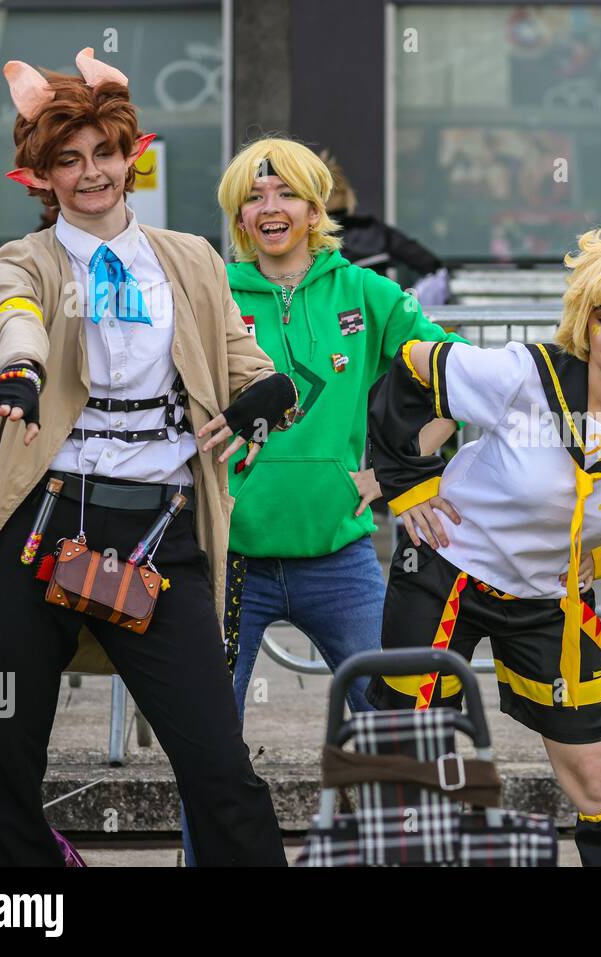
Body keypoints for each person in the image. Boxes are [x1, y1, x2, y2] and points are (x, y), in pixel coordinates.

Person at [0, 48, 292, 865]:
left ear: (131, 153)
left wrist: (267, 391)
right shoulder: (28, 259)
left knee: (219, 763)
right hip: (37, 531)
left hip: (159, 540)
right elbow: (14, 312)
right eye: (68, 160)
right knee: (8, 763)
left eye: (105, 153)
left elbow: (242, 357)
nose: (92, 174)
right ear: (40, 178)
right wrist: (19, 369)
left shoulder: (189, 258)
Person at [367, 217, 601, 866]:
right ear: (584, 321)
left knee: (593, 772)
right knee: (416, 754)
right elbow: (415, 364)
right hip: (448, 565)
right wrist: (410, 483)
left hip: (548, 599)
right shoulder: (524, 375)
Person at [176, 137, 462, 864]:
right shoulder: (210, 292)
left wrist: (403, 474)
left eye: (286, 194)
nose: (269, 208)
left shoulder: (364, 292)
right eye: (254, 195)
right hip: (229, 559)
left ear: (315, 206)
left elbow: (452, 377)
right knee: (206, 737)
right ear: (238, 213)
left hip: (339, 556)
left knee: (396, 718)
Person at [319, 149, 448, 304]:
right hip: (373, 315)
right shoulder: (375, 232)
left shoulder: (304, 238)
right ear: (347, 194)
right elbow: (432, 267)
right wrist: (409, 306)